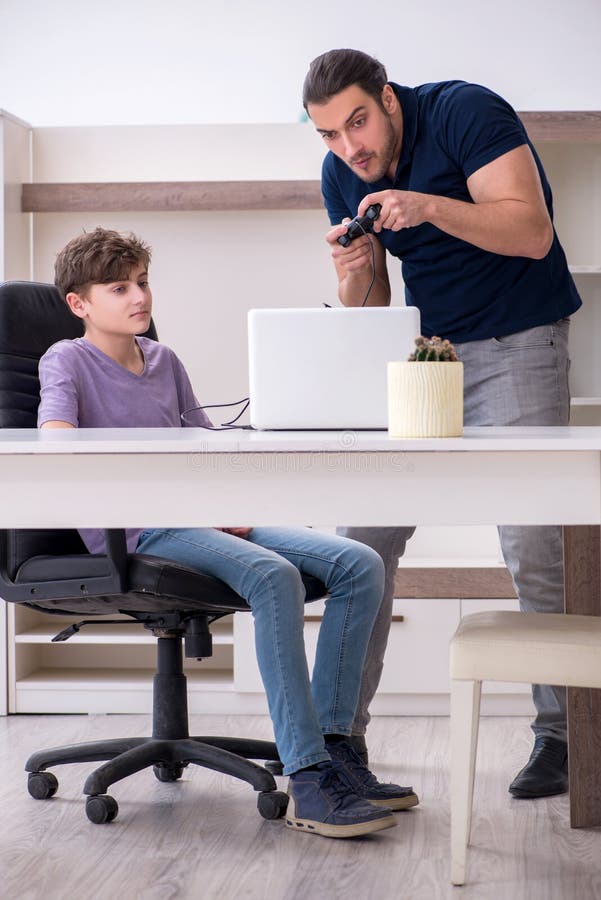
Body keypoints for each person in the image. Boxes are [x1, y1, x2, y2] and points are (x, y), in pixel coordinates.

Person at [36, 226, 420, 840]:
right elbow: (54, 441)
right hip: (135, 529)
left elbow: (203, 445)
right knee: (274, 576)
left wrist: (228, 495)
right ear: (80, 304)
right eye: (119, 287)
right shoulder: (66, 359)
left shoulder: (164, 360)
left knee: (360, 562)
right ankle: (309, 777)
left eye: (142, 282)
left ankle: (337, 748)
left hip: (196, 516)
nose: (139, 297)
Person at [302, 48, 582, 799]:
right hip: (427, 357)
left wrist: (423, 204)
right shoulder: (343, 173)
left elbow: (529, 233)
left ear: (388, 99)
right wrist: (354, 274)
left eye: (356, 122)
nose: (348, 147)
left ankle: (563, 740)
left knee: (533, 544)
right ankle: (337, 739)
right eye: (328, 134)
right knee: (363, 541)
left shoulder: (463, 110)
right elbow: (369, 313)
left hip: (519, 343)